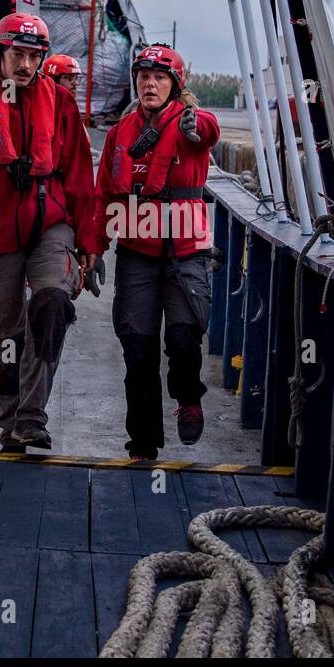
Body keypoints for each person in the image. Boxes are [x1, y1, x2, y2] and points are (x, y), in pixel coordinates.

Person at [0, 13, 100, 450]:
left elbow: (83, 176)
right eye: (17, 54)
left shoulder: (61, 105)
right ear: (1, 54)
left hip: (52, 224)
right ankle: (10, 418)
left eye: (34, 55)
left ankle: (32, 415)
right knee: (4, 333)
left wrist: (91, 242)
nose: (26, 64)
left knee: (52, 303)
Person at [93, 44, 220, 459]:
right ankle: (143, 442)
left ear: (176, 85)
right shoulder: (119, 134)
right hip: (136, 254)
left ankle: (188, 399)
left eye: (160, 77)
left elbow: (209, 128)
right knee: (137, 349)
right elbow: (103, 197)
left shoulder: (193, 124)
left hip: (187, 253)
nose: (150, 83)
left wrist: (194, 125)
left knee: (185, 339)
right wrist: (93, 249)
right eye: (144, 76)